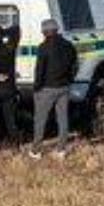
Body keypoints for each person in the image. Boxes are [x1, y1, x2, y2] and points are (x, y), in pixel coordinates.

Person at [31, 18, 78, 157]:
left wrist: (36, 87)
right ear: (56, 30)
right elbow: (75, 65)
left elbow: (39, 70)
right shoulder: (69, 45)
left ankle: (36, 151)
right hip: (64, 87)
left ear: (45, 32)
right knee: (62, 119)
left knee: (40, 120)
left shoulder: (43, 47)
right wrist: (70, 79)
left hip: (47, 88)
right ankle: (61, 149)